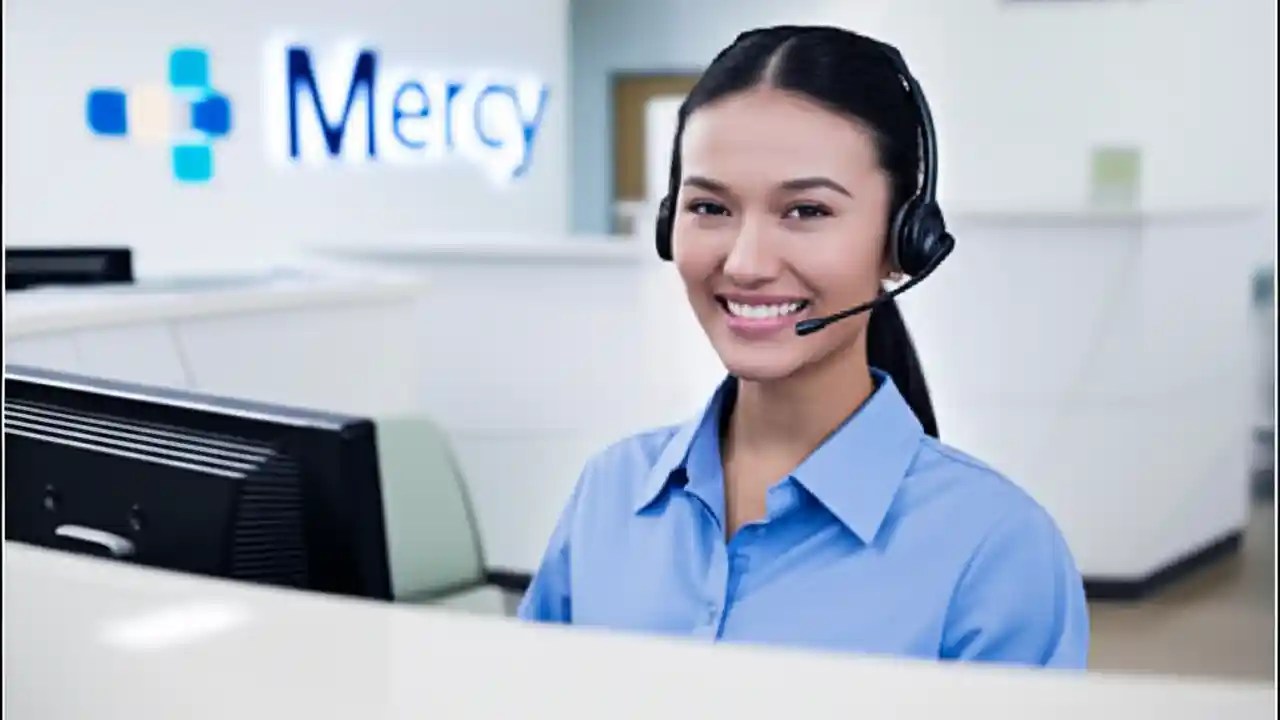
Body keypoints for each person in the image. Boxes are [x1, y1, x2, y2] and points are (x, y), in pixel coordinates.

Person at [518, 25, 1089, 668]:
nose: (746, 263)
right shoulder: (610, 491)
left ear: (903, 243)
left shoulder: (996, 550)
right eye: (709, 207)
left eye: (806, 211)